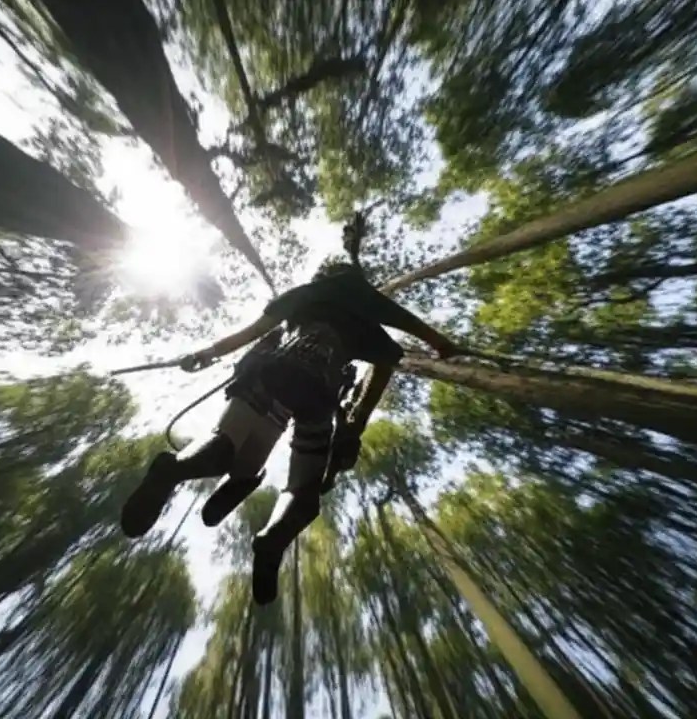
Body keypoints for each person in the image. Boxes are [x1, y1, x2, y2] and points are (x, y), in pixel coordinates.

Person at [120, 216, 460, 604]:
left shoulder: (301, 296)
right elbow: (396, 347)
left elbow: (248, 333)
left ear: (321, 275)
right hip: (319, 394)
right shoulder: (368, 308)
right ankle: (271, 540)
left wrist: (205, 354)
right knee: (303, 491)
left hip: (270, 375)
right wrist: (359, 419)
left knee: (223, 442)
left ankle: (178, 469)